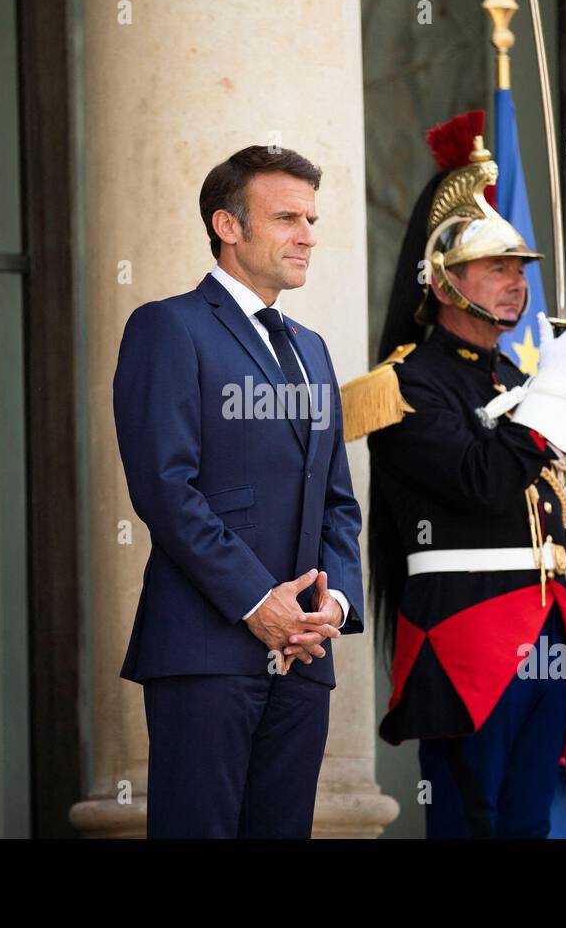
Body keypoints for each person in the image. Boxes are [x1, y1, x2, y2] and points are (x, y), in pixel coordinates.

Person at [351, 111, 566, 838]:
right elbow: (483, 481)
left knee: (529, 823)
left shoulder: (514, 375)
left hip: (545, 625)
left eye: (519, 269)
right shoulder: (404, 386)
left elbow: (549, 508)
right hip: (464, 632)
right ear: (441, 280)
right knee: (473, 822)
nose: (514, 283)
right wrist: (550, 395)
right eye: (496, 267)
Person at [112, 145, 365, 838]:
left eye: (311, 218)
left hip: (305, 657)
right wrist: (259, 603)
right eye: (287, 217)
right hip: (204, 653)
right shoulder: (168, 327)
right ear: (228, 226)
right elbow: (165, 487)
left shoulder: (312, 347)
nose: (308, 235)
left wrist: (332, 604)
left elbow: (338, 502)